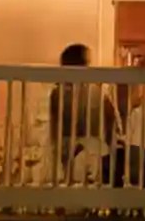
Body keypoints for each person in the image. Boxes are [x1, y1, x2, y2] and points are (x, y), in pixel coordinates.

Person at [49, 44, 120, 186]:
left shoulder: (58, 93)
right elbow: (112, 125)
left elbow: (54, 129)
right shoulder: (98, 92)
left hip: (73, 152)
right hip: (95, 152)